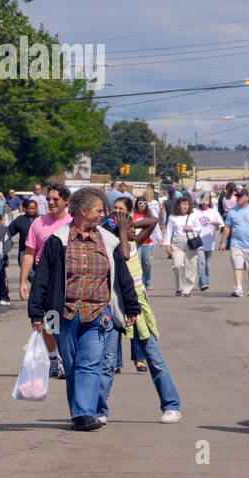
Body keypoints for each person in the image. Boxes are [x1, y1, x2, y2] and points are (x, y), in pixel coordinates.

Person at [28, 187, 139, 431]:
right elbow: (42, 278)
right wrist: (36, 313)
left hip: (98, 314)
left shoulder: (107, 241)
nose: (103, 215)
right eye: (99, 210)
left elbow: (122, 277)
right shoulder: (58, 241)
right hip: (62, 314)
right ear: (83, 211)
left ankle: (83, 414)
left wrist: (132, 307)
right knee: (71, 365)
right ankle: (80, 411)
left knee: (89, 364)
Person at [101, 196, 182, 423]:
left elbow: (153, 222)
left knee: (154, 358)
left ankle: (171, 405)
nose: (117, 214)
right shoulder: (108, 244)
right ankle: (99, 409)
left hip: (138, 306)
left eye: (122, 211)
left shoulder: (133, 242)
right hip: (115, 305)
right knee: (108, 363)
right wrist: (121, 230)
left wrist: (128, 226)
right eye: (114, 211)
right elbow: (122, 254)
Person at [19, 182, 72, 380]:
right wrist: (23, 281)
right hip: (45, 280)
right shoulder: (39, 223)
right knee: (50, 325)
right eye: (48, 199)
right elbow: (30, 253)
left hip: (68, 279)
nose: (50, 202)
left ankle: (66, 361)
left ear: (66, 201)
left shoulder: (72, 222)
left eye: (55, 199)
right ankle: (53, 358)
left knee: (65, 324)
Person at [162, 194, 201, 297]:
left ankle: (188, 289)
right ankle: (179, 287)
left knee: (191, 266)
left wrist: (191, 228)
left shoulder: (193, 215)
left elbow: (199, 228)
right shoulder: (172, 217)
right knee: (178, 265)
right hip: (177, 242)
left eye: (187, 205)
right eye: (183, 204)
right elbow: (168, 231)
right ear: (178, 206)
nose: (185, 206)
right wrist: (167, 245)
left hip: (190, 241)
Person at [218, 187, 249, 296]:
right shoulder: (232, 211)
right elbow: (227, 227)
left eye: (241, 196)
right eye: (237, 196)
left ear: (247, 197)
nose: (238, 198)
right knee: (237, 266)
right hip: (236, 244)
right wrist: (223, 242)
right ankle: (238, 287)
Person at [194, 191, 222, 291]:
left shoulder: (213, 211)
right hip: (198, 242)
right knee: (201, 263)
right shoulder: (194, 211)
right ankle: (204, 283)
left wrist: (213, 223)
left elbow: (219, 225)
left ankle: (203, 281)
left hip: (210, 242)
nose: (204, 203)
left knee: (207, 265)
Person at [133, 197, 157, 291]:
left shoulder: (150, 214)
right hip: (137, 242)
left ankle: (148, 280)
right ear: (136, 204)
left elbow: (156, 226)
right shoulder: (133, 215)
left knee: (146, 263)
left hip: (148, 242)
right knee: (138, 262)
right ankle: (140, 282)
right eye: (140, 203)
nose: (142, 205)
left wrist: (159, 238)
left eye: (144, 203)